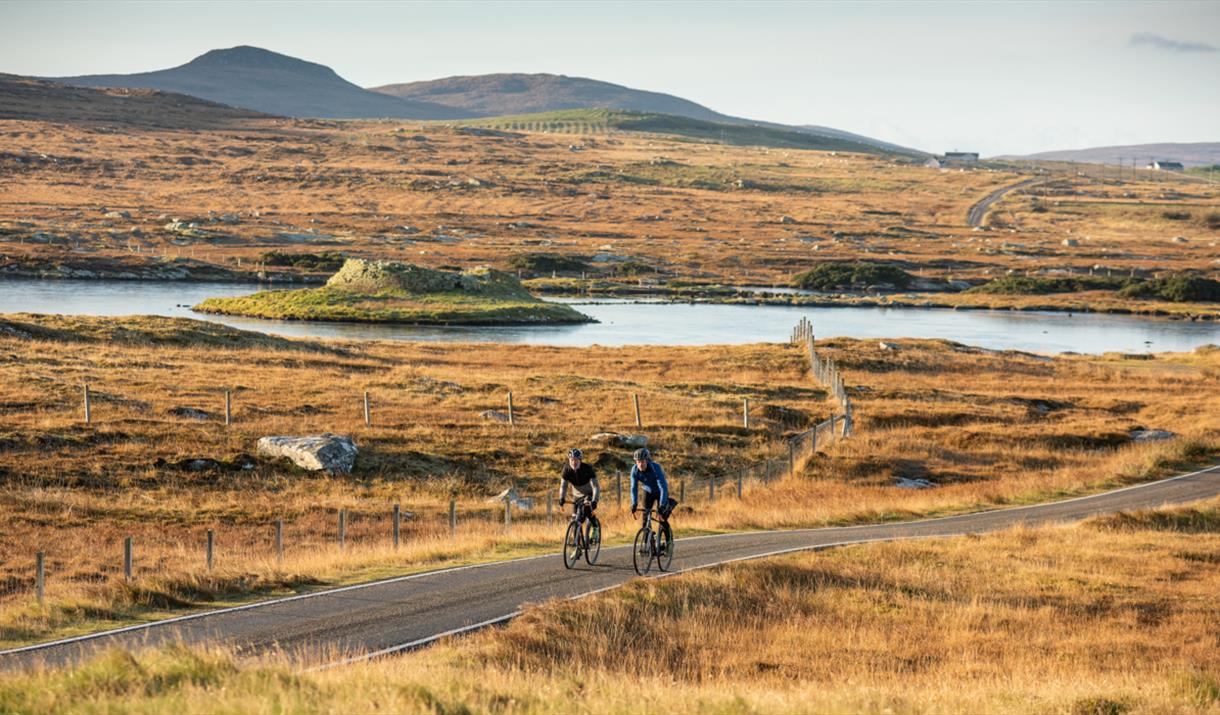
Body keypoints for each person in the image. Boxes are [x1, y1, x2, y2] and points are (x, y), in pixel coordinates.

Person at [559, 448, 600, 536]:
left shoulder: (587, 468)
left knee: (586, 510)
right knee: (575, 520)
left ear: (580, 460)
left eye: (576, 460)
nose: (574, 462)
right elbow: (563, 486)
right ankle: (577, 545)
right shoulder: (566, 469)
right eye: (572, 460)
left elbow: (596, 486)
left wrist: (595, 501)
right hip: (576, 496)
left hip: (589, 493)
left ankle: (595, 527)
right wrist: (561, 498)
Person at [629, 447, 672, 523]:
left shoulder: (656, 468)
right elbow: (633, 488)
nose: (640, 464)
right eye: (638, 462)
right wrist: (634, 503)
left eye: (642, 461)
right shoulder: (634, 470)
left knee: (662, 519)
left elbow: (663, 487)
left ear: (647, 461)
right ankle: (646, 533)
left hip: (660, 492)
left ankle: (667, 534)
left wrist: (662, 505)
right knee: (645, 519)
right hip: (648, 491)